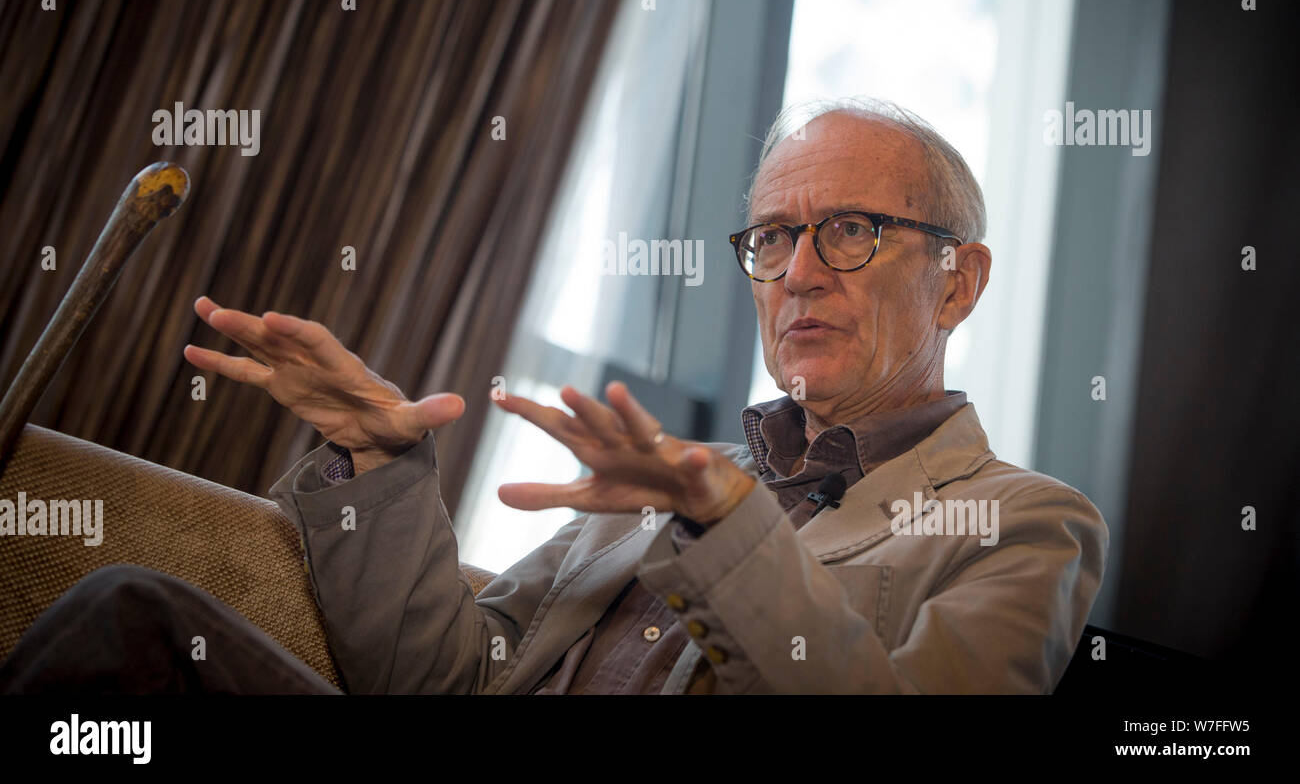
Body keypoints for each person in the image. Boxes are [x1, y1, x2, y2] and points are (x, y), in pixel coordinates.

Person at [0, 97, 1106, 694]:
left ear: (957, 278)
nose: (799, 271)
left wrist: (722, 520)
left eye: (849, 230)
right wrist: (380, 464)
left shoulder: (1025, 522)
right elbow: (450, 672)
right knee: (128, 631)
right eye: (773, 236)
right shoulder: (661, 474)